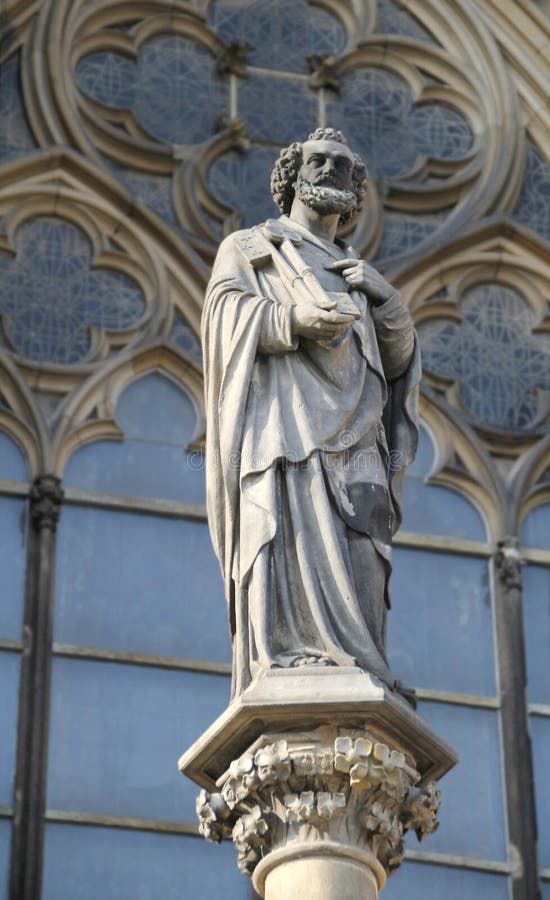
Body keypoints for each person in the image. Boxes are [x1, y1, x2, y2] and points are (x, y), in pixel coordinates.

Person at [202, 127, 420, 702]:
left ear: (355, 191)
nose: (330, 171)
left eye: (343, 166)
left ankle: (366, 663)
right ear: (292, 177)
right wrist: (292, 321)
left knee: (365, 551)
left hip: (361, 439)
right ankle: (289, 655)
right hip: (285, 432)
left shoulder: (358, 273)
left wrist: (388, 301)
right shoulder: (254, 249)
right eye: (318, 161)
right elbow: (223, 319)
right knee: (289, 537)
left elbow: (397, 361)